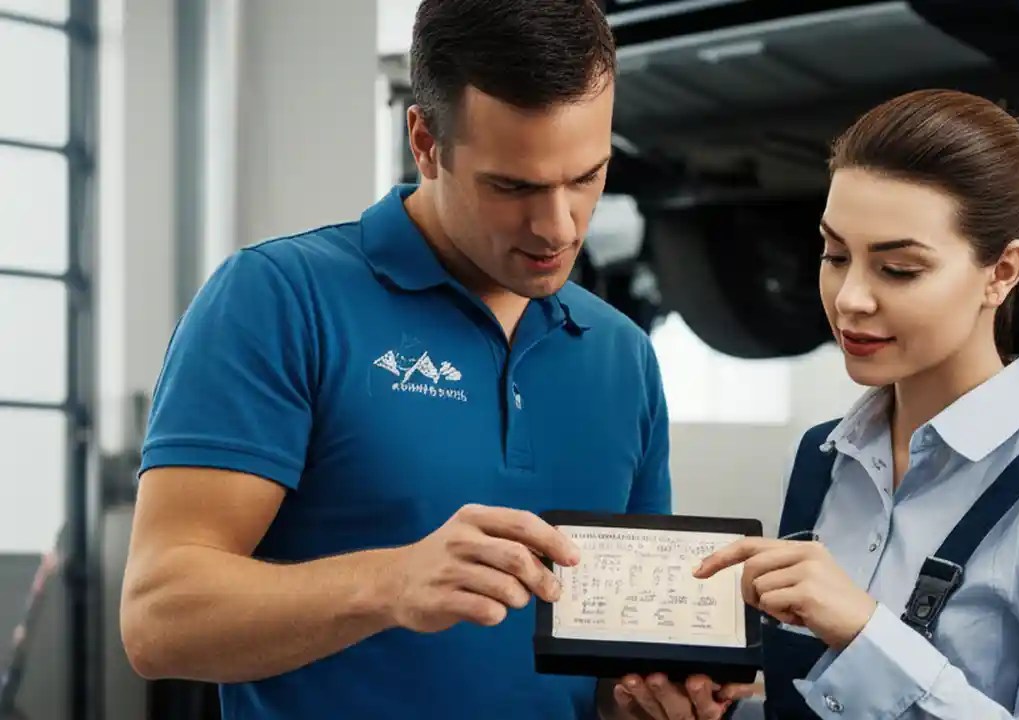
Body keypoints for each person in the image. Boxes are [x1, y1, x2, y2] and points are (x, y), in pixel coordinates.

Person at [119, 2, 676, 718]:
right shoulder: (279, 299)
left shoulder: (623, 356)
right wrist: (391, 583)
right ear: (425, 140)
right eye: (513, 187)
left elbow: (607, 662)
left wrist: (641, 698)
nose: (558, 226)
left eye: (586, 178)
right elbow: (158, 621)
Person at [618, 89, 1019, 719]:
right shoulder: (826, 458)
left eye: (898, 269)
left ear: (1002, 272)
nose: (850, 299)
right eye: (835, 255)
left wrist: (864, 634)